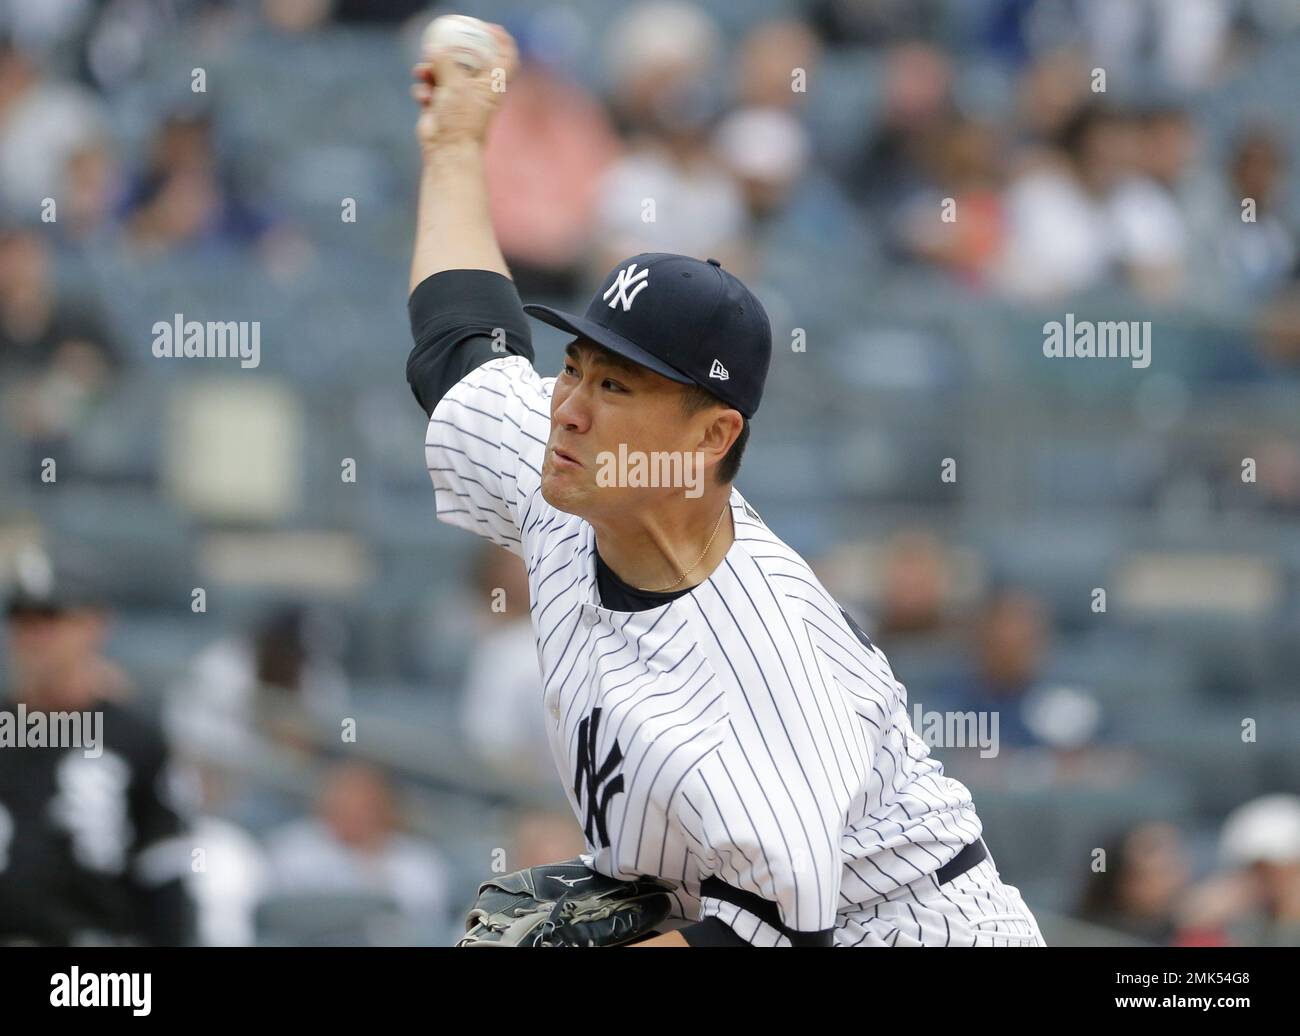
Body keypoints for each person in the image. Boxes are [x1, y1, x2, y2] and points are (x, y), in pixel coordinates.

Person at [404, 23, 1044, 947]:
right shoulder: (584, 473)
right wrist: (457, 146)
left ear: (711, 436)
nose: (569, 407)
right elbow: (460, 345)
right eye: (575, 367)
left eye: (614, 385)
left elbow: (765, 944)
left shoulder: (758, 667)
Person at [0, 546, 197, 946]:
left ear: (95, 624)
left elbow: (164, 872)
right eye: (24, 621)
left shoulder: (133, 739)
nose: (36, 637)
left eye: (53, 618)